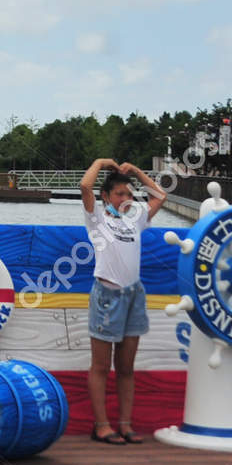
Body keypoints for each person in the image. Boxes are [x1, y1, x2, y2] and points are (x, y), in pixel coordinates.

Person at [80, 157, 165, 444]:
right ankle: (101, 425)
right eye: (120, 193)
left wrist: (137, 172)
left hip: (133, 295)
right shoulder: (98, 218)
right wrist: (101, 162)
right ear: (106, 197)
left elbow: (160, 195)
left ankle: (126, 424)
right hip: (107, 295)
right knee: (101, 366)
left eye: (129, 194)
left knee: (126, 367)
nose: (126, 198)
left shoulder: (136, 218)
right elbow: (84, 185)